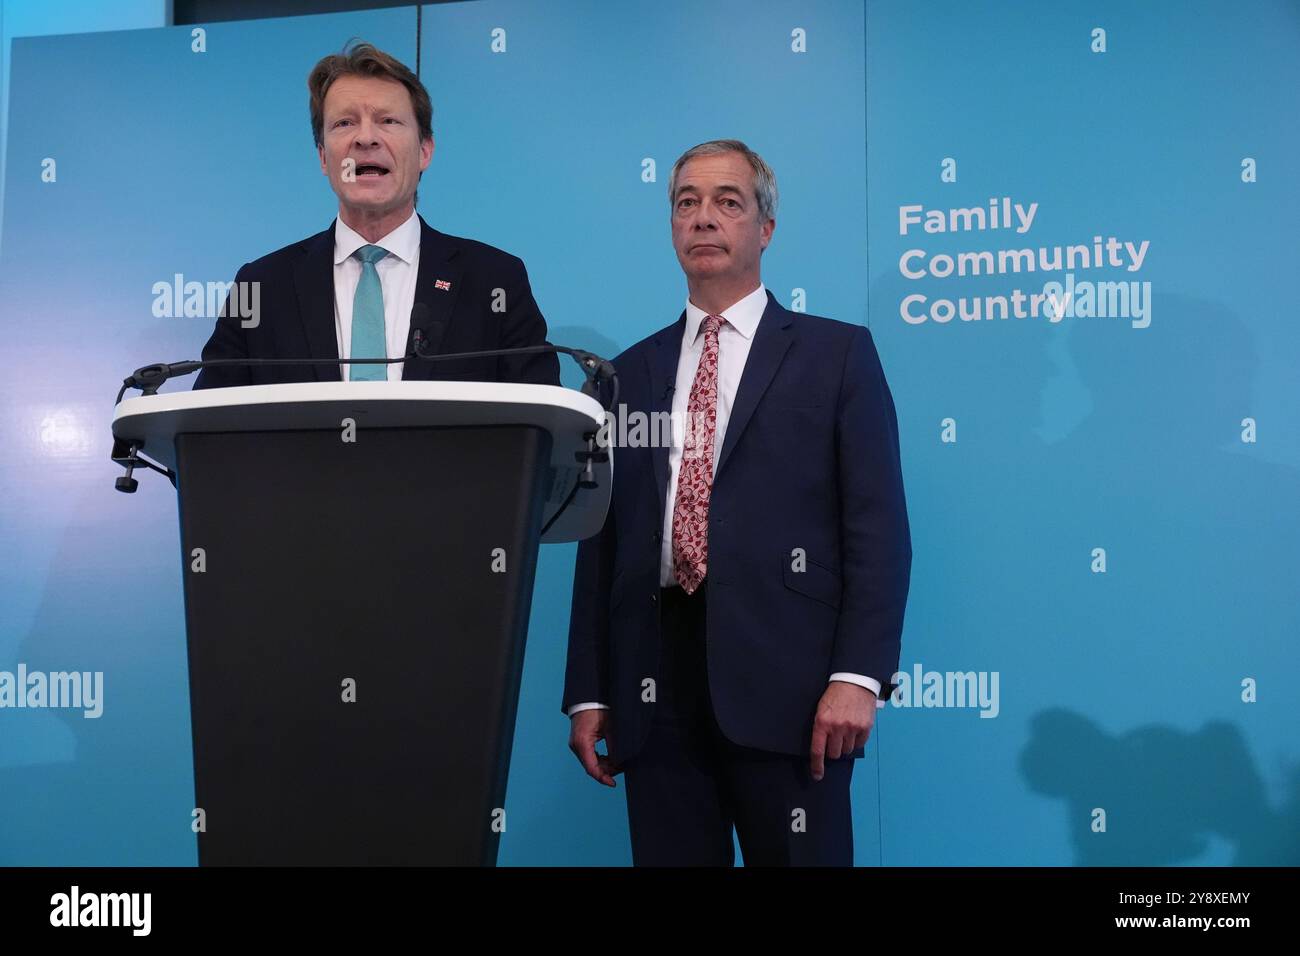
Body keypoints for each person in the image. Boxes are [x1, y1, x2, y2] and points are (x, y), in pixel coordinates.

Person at [563, 140, 912, 866]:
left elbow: (877, 529)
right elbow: (601, 545)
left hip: (792, 690)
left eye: (728, 202)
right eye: (686, 202)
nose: (703, 218)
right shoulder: (625, 375)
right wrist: (588, 691)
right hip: (653, 690)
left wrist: (858, 676)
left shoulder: (837, 355)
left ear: (766, 228)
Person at [194, 40, 559, 389]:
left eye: (388, 121)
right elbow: (207, 430)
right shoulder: (260, 286)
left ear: (424, 151)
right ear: (323, 157)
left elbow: (539, 427)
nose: (365, 138)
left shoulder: (494, 280)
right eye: (344, 123)